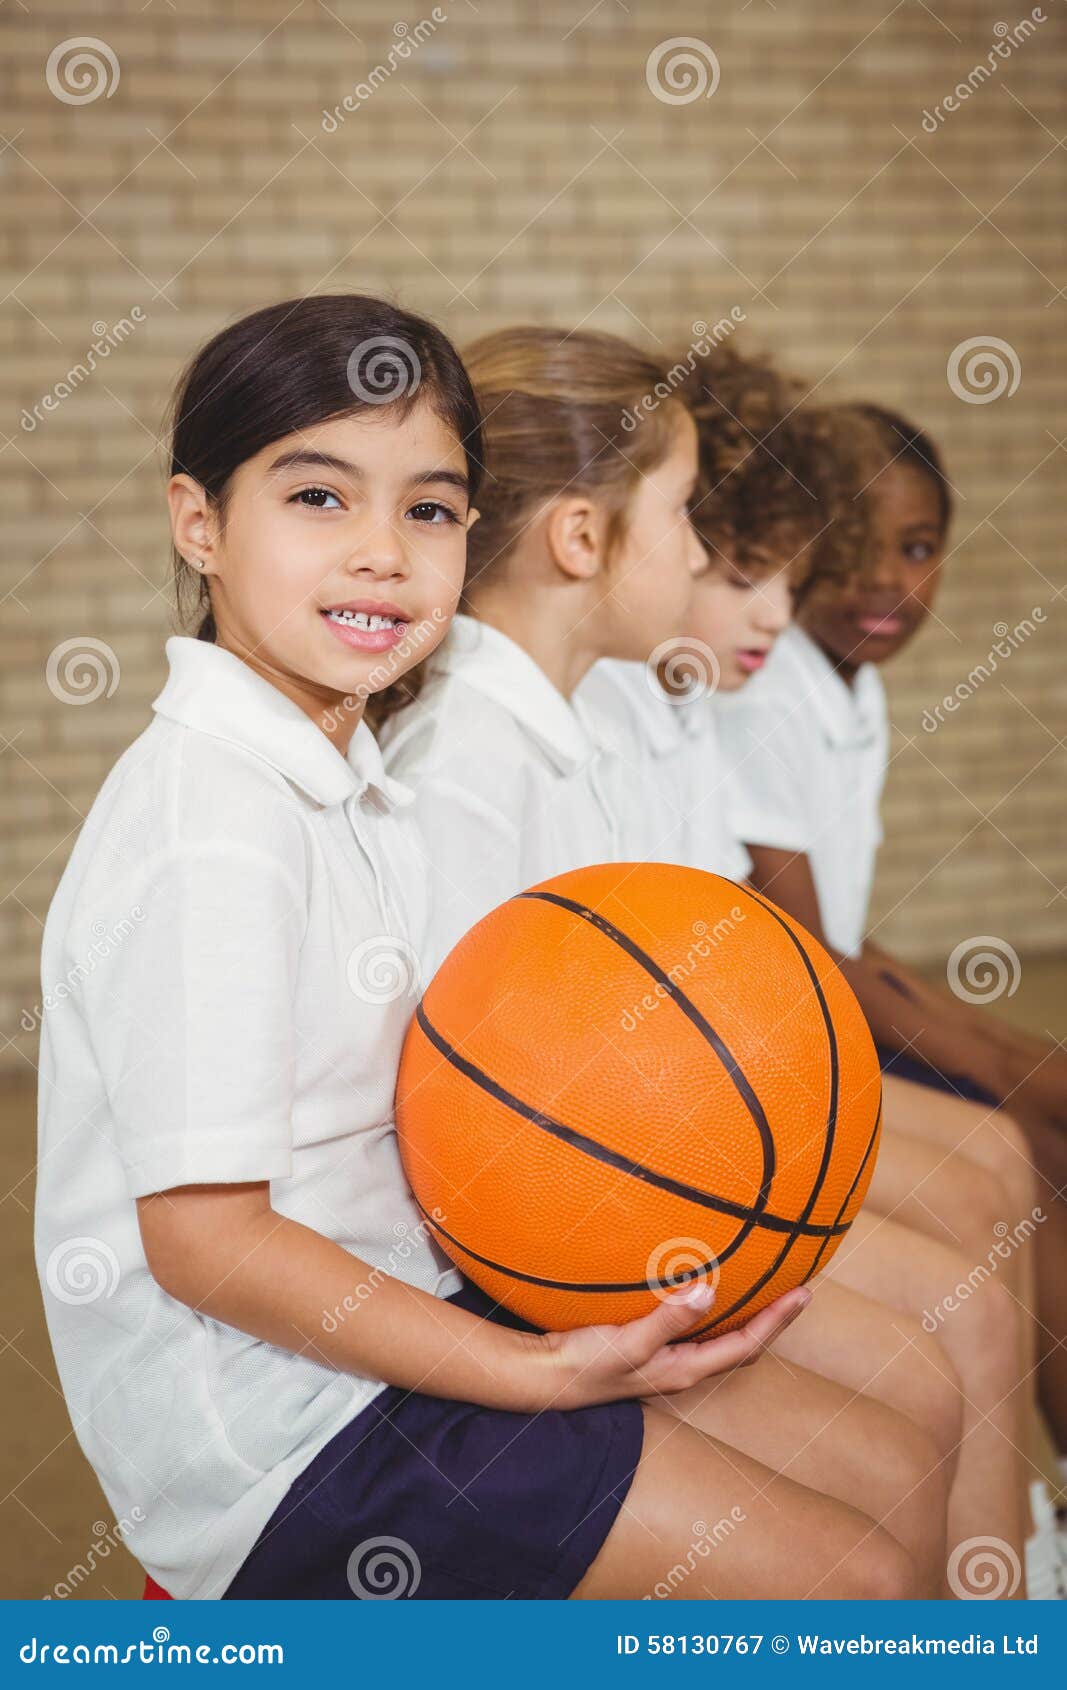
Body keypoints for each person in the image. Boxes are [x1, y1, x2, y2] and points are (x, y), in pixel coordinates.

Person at [35, 295, 909, 1606]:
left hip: (406, 1312)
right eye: (319, 498)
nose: (383, 553)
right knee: (853, 1574)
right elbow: (207, 1245)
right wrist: (531, 1367)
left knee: (874, 1459)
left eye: (428, 509)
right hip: (278, 1442)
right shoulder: (208, 820)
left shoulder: (343, 770)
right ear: (198, 522)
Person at [381, 326, 970, 1596]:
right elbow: (482, 1125)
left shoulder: (550, 733)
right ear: (582, 542)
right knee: (894, 1439)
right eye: (690, 522)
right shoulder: (464, 768)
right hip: (519, 1270)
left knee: (915, 1388)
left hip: (613, 1221)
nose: (706, 556)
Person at [715, 401, 1066, 1447]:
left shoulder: (844, 683)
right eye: (852, 550)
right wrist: (1014, 1066)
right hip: (775, 1036)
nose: (886, 583)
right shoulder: (766, 688)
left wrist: (1015, 1046)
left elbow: (853, 946)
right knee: (1027, 1144)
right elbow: (811, 959)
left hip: (822, 994)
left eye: (916, 550)